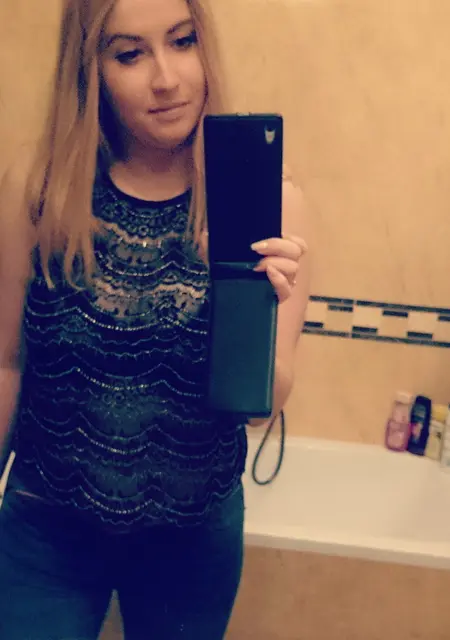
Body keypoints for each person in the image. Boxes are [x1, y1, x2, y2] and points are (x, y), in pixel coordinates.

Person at [0, 0, 310, 638]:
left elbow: (259, 408)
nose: (166, 78)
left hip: (190, 542)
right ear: (90, 70)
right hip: (45, 530)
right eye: (130, 53)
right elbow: (6, 362)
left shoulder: (274, 205)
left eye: (182, 41)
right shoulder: (40, 188)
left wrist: (251, 309)